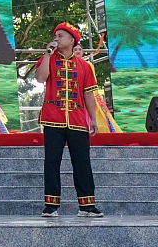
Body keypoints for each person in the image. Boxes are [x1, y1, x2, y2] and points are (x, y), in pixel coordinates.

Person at [34, 22, 104, 218]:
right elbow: (41, 78)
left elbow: (89, 94)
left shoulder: (84, 66)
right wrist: (47, 53)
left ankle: (87, 205)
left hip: (77, 119)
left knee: (82, 162)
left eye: (61, 36)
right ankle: (51, 204)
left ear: (72, 40)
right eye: (55, 35)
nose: (56, 38)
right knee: (52, 162)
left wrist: (93, 119)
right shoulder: (48, 59)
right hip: (53, 118)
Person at [72, 44, 120, 134]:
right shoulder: (69, 65)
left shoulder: (88, 64)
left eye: (79, 49)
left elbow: (92, 82)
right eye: (75, 50)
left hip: (88, 94)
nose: (78, 51)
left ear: (82, 52)